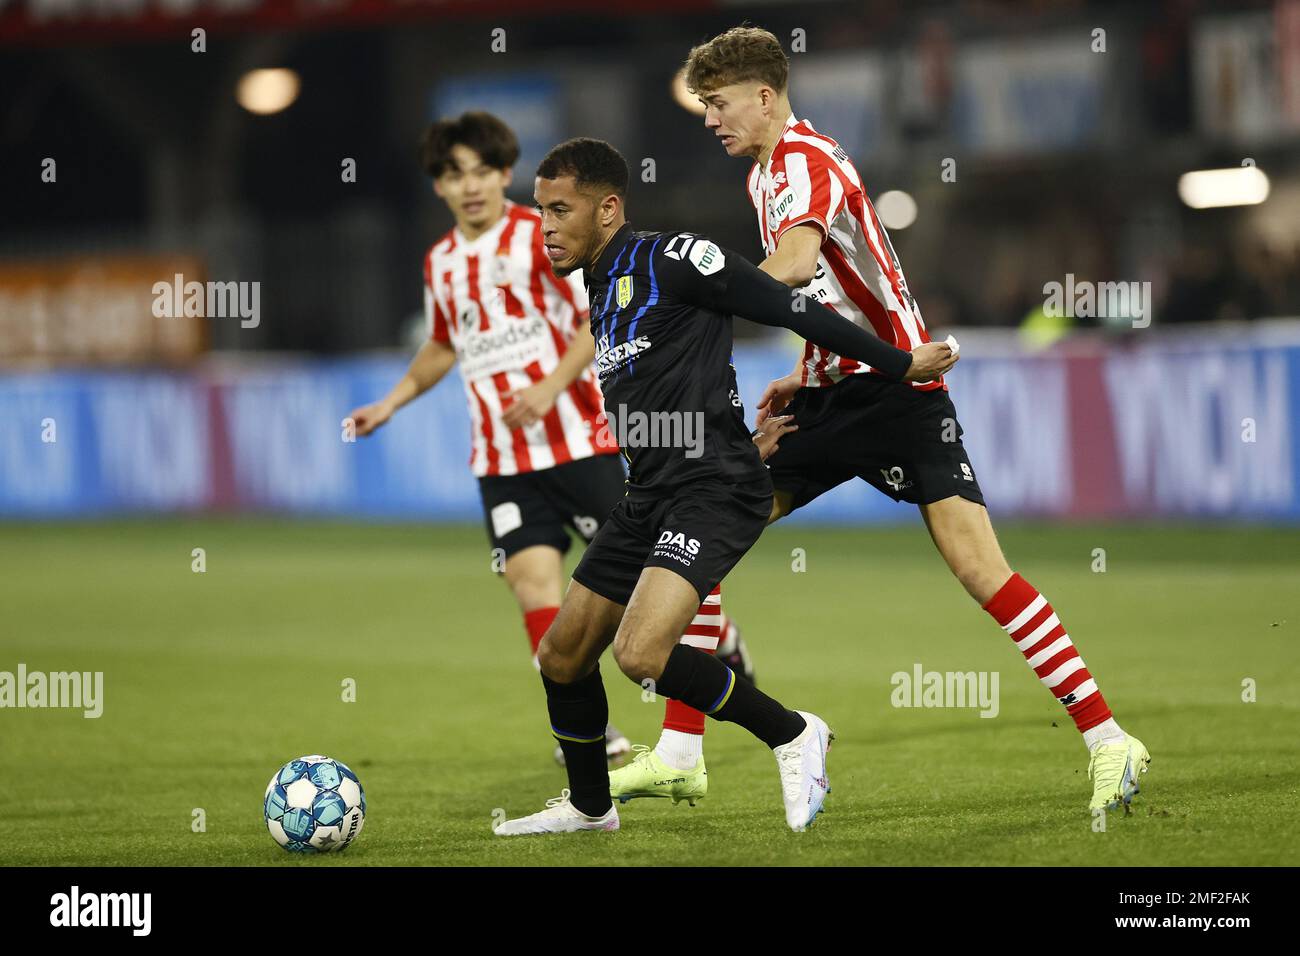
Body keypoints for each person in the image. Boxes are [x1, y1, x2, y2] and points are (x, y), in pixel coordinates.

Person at [646, 26, 1150, 815]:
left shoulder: (807, 160)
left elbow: (797, 267)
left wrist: (696, 292)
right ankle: (680, 751)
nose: (711, 119)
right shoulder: (764, 176)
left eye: (718, 104)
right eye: (706, 105)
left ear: (766, 96)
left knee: (982, 571)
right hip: (829, 395)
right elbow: (822, 296)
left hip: (898, 394)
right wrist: (801, 373)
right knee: (706, 526)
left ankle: (1109, 738)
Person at [493, 137, 956, 835]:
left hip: (713, 488)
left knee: (640, 654)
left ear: (609, 208)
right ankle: (591, 809)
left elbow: (786, 306)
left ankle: (795, 732)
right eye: (540, 211)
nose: (546, 226)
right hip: (649, 493)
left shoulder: (675, 258)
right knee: (561, 656)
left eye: (560, 210)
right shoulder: (599, 282)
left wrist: (898, 362)